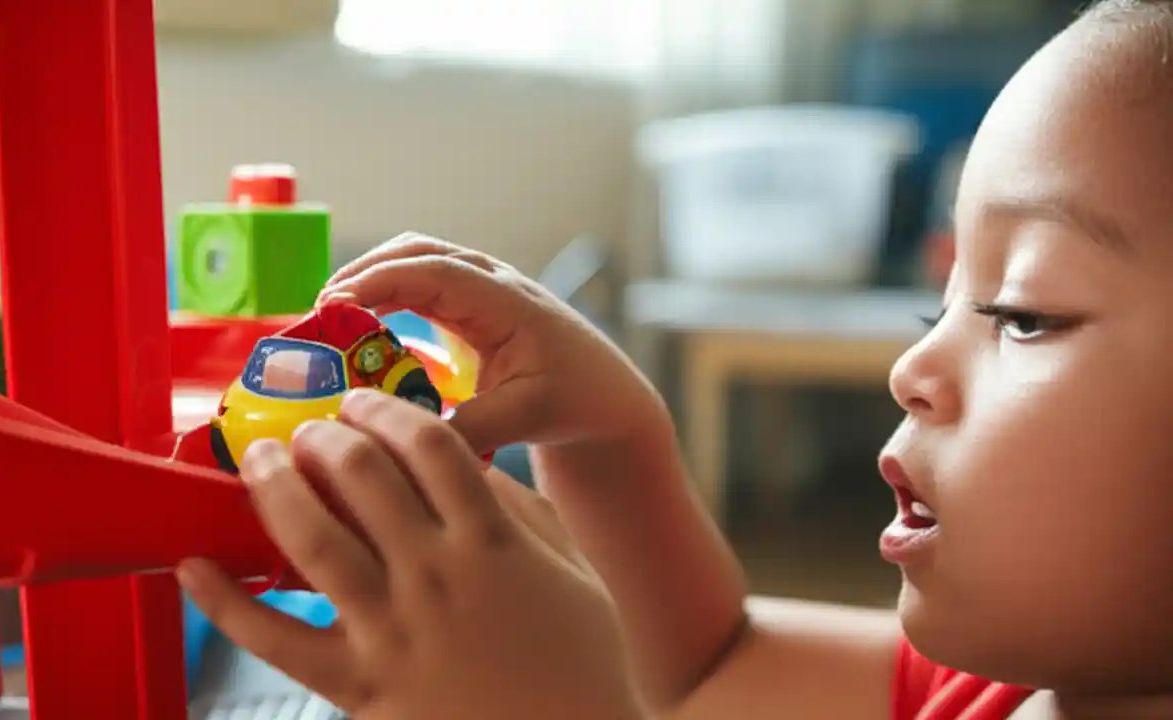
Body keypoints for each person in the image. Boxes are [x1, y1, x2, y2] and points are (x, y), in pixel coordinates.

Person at [176, 1, 1173, 717]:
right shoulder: (989, 688)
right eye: (939, 304)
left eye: (1022, 313)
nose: (909, 368)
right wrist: (612, 441)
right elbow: (709, 674)